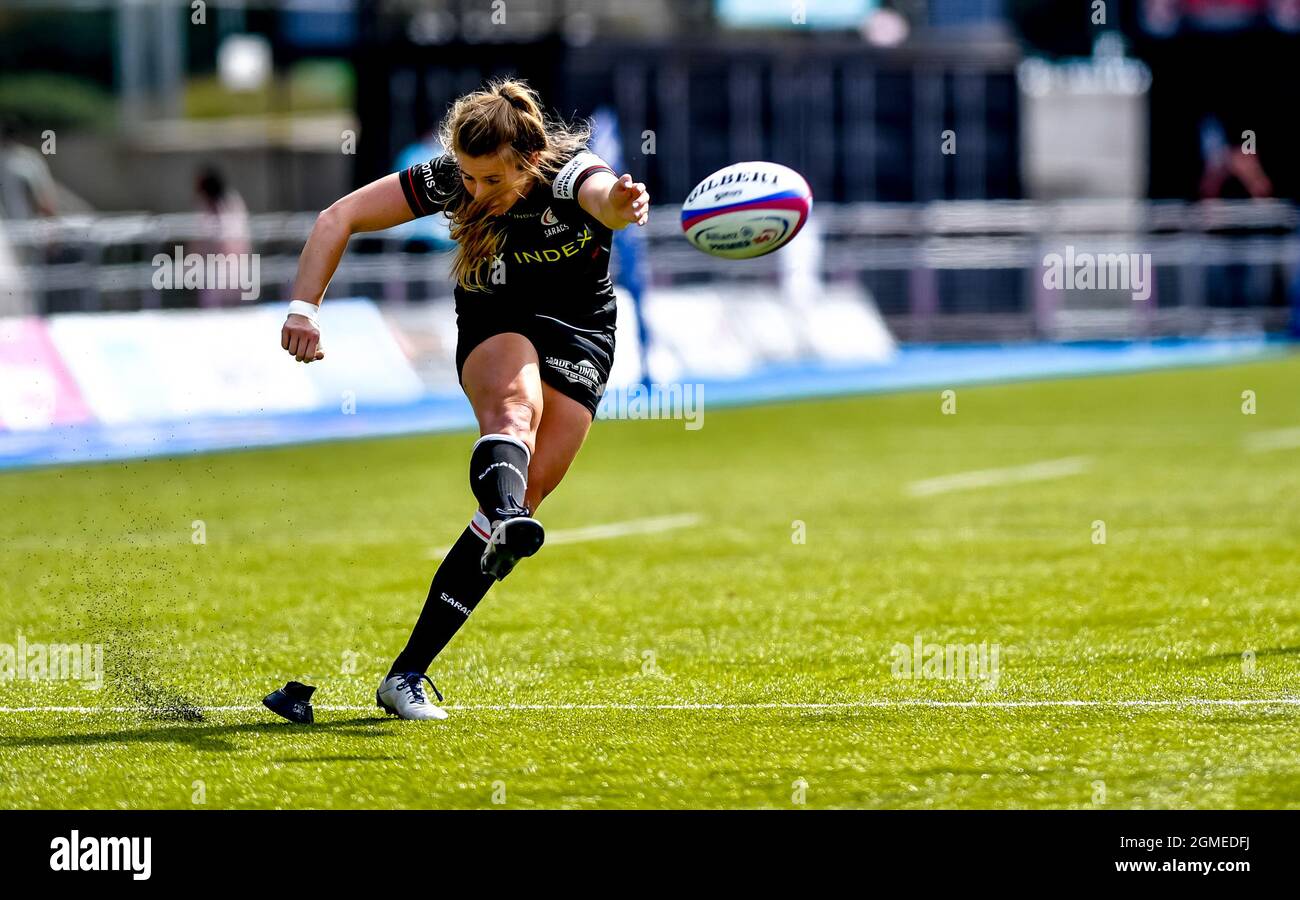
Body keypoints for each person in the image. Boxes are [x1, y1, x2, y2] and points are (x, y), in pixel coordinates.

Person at [277, 78, 648, 720]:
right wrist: (303, 308)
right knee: (513, 411)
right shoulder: (452, 177)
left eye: (491, 182)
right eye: (469, 179)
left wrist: (620, 202)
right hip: (495, 317)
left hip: (584, 330)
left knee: (523, 502)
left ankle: (405, 676)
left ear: (529, 163)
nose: (474, 193)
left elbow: (606, 204)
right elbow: (338, 217)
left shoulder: (571, 174)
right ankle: (503, 515)